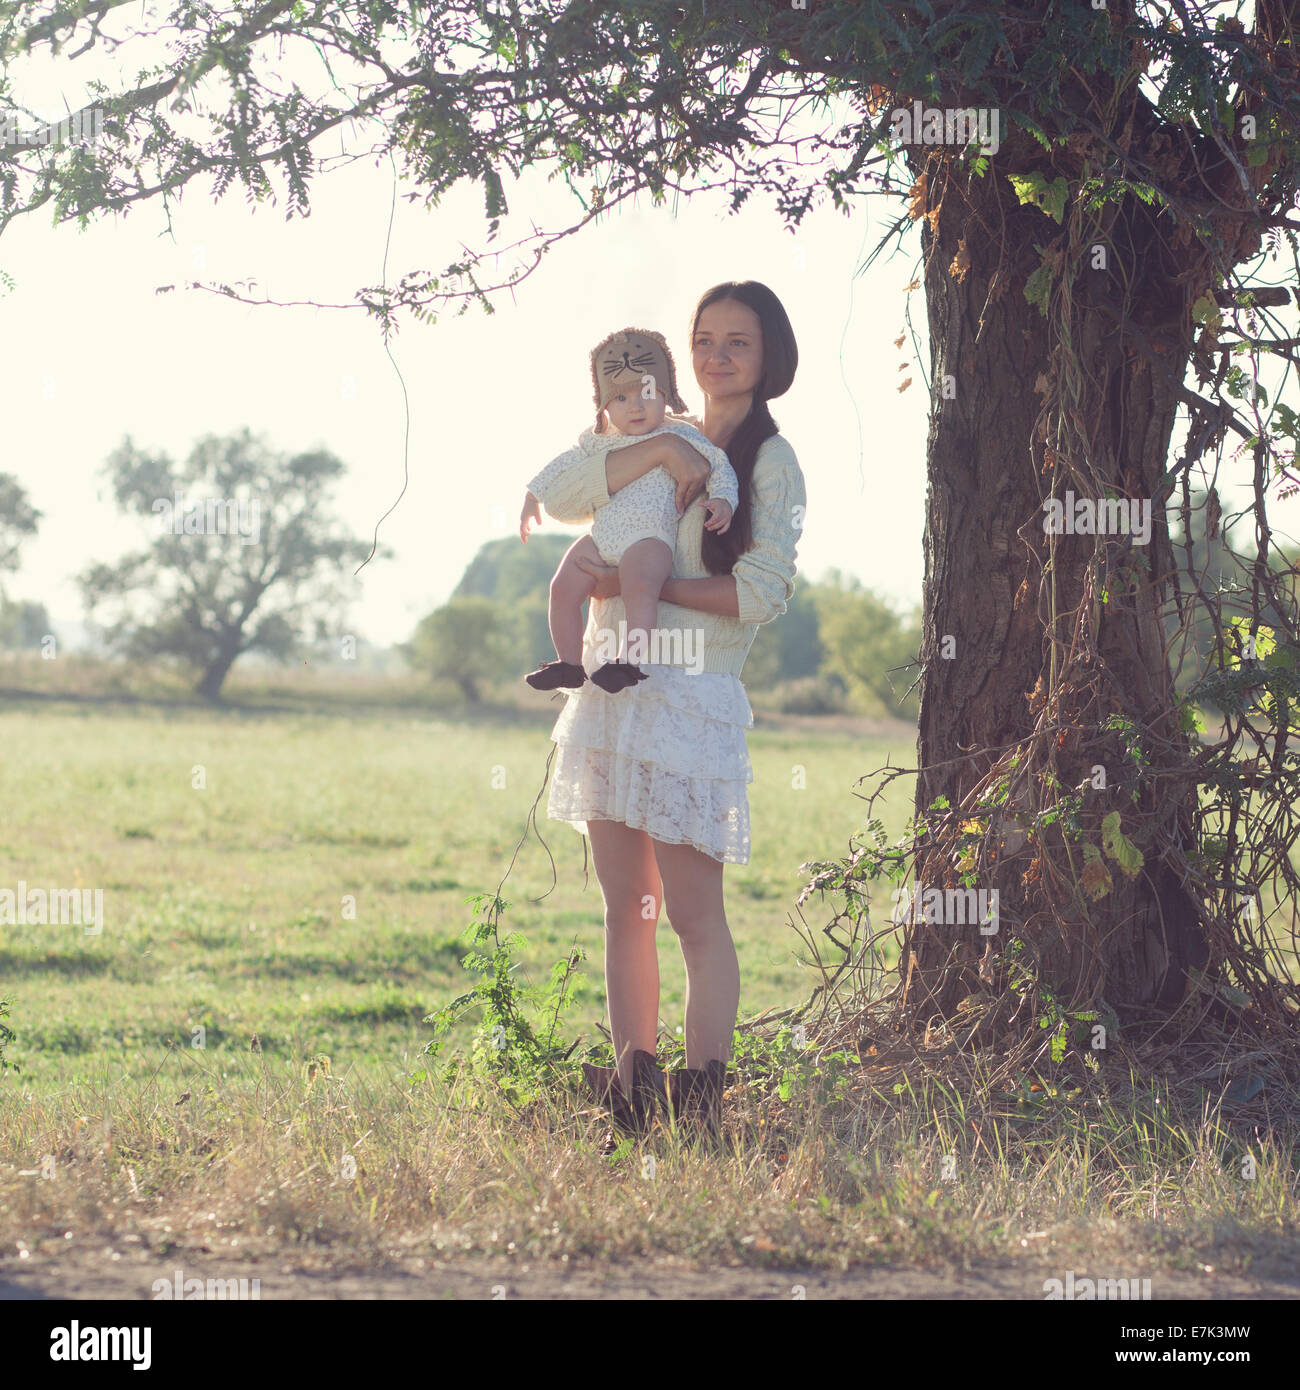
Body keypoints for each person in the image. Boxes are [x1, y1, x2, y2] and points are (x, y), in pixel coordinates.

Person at [524, 282, 806, 1147]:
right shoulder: (650, 430)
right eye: (706, 338)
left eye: (740, 343)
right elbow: (570, 492)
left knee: (692, 914)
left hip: (689, 697)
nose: (719, 355)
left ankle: (703, 1102)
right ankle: (632, 1095)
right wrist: (650, 459)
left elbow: (762, 593)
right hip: (612, 693)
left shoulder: (768, 460)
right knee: (625, 910)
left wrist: (632, 584)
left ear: (769, 359)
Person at [520, 328, 737, 693]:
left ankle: (628, 662)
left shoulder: (683, 435)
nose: (635, 406)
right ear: (605, 406)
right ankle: (570, 664)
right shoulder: (600, 440)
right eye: (620, 397)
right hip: (602, 537)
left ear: (666, 395)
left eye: (647, 393)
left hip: (649, 537)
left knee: (640, 587)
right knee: (562, 586)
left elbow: (719, 464)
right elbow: (564, 464)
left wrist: (724, 499)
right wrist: (532, 496)